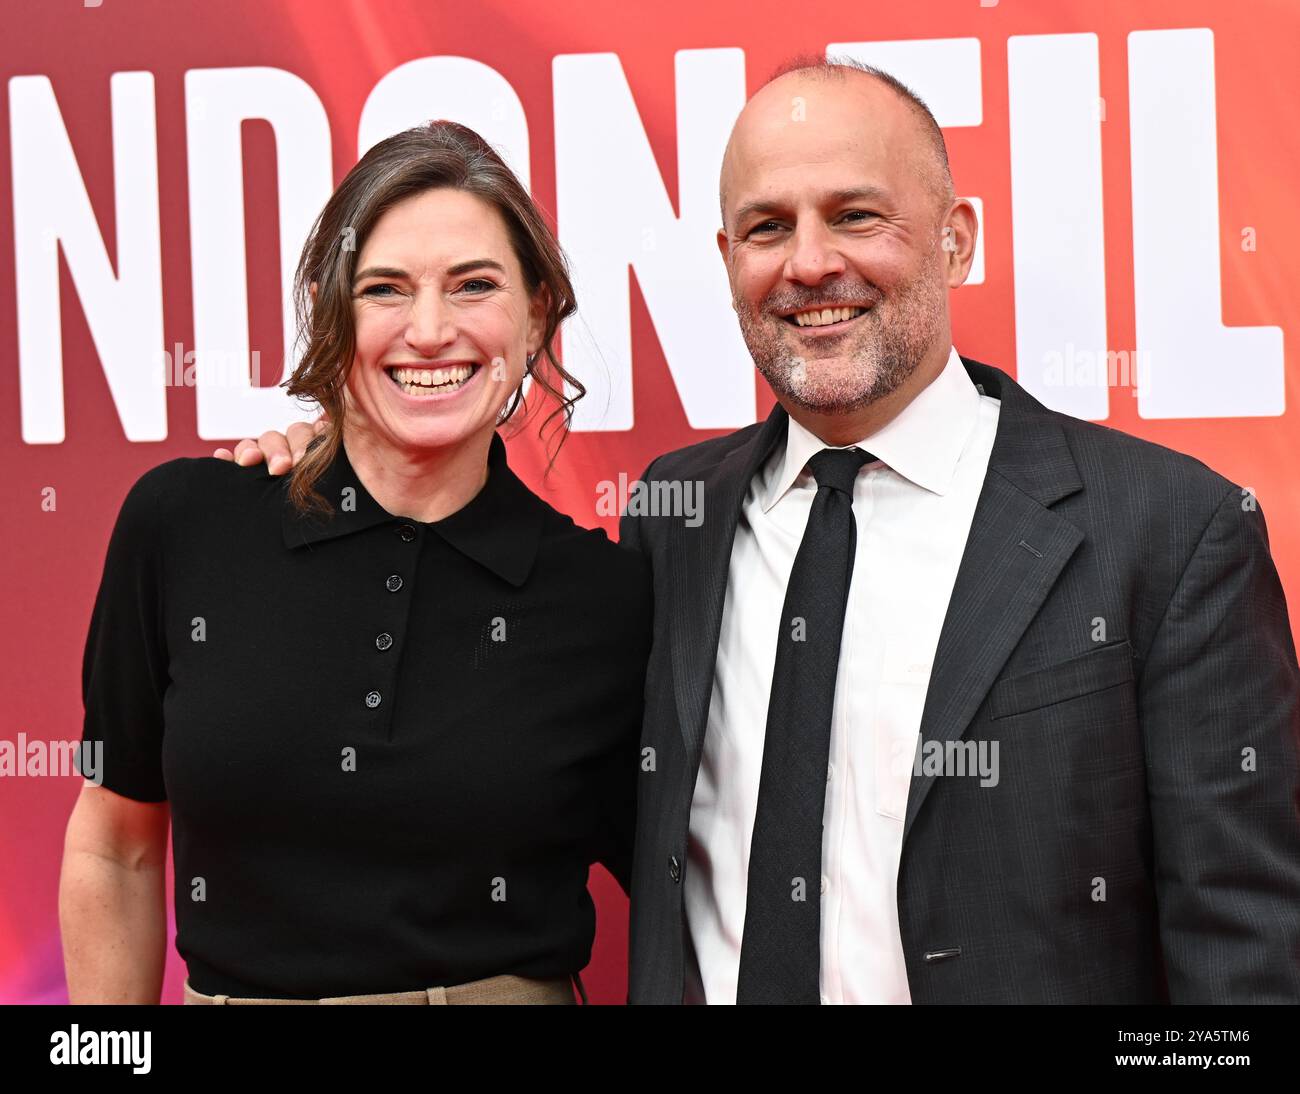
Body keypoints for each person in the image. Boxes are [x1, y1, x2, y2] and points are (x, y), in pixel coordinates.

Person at [230, 59, 1300, 1005]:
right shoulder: (670, 519)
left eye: (856, 215)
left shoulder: (1165, 529)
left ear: (956, 237)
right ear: (727, 255)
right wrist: (337, 464)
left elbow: (1244, 942)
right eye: (767, 227)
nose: (808, 263)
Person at [59, 121, 651, 1005]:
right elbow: (114, 845)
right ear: (334, 315)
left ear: (535, 317)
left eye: (473, 286)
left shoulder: (606, 597)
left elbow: (700, 887)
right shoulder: (184, 523)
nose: (429, 329)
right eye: (384, 290)